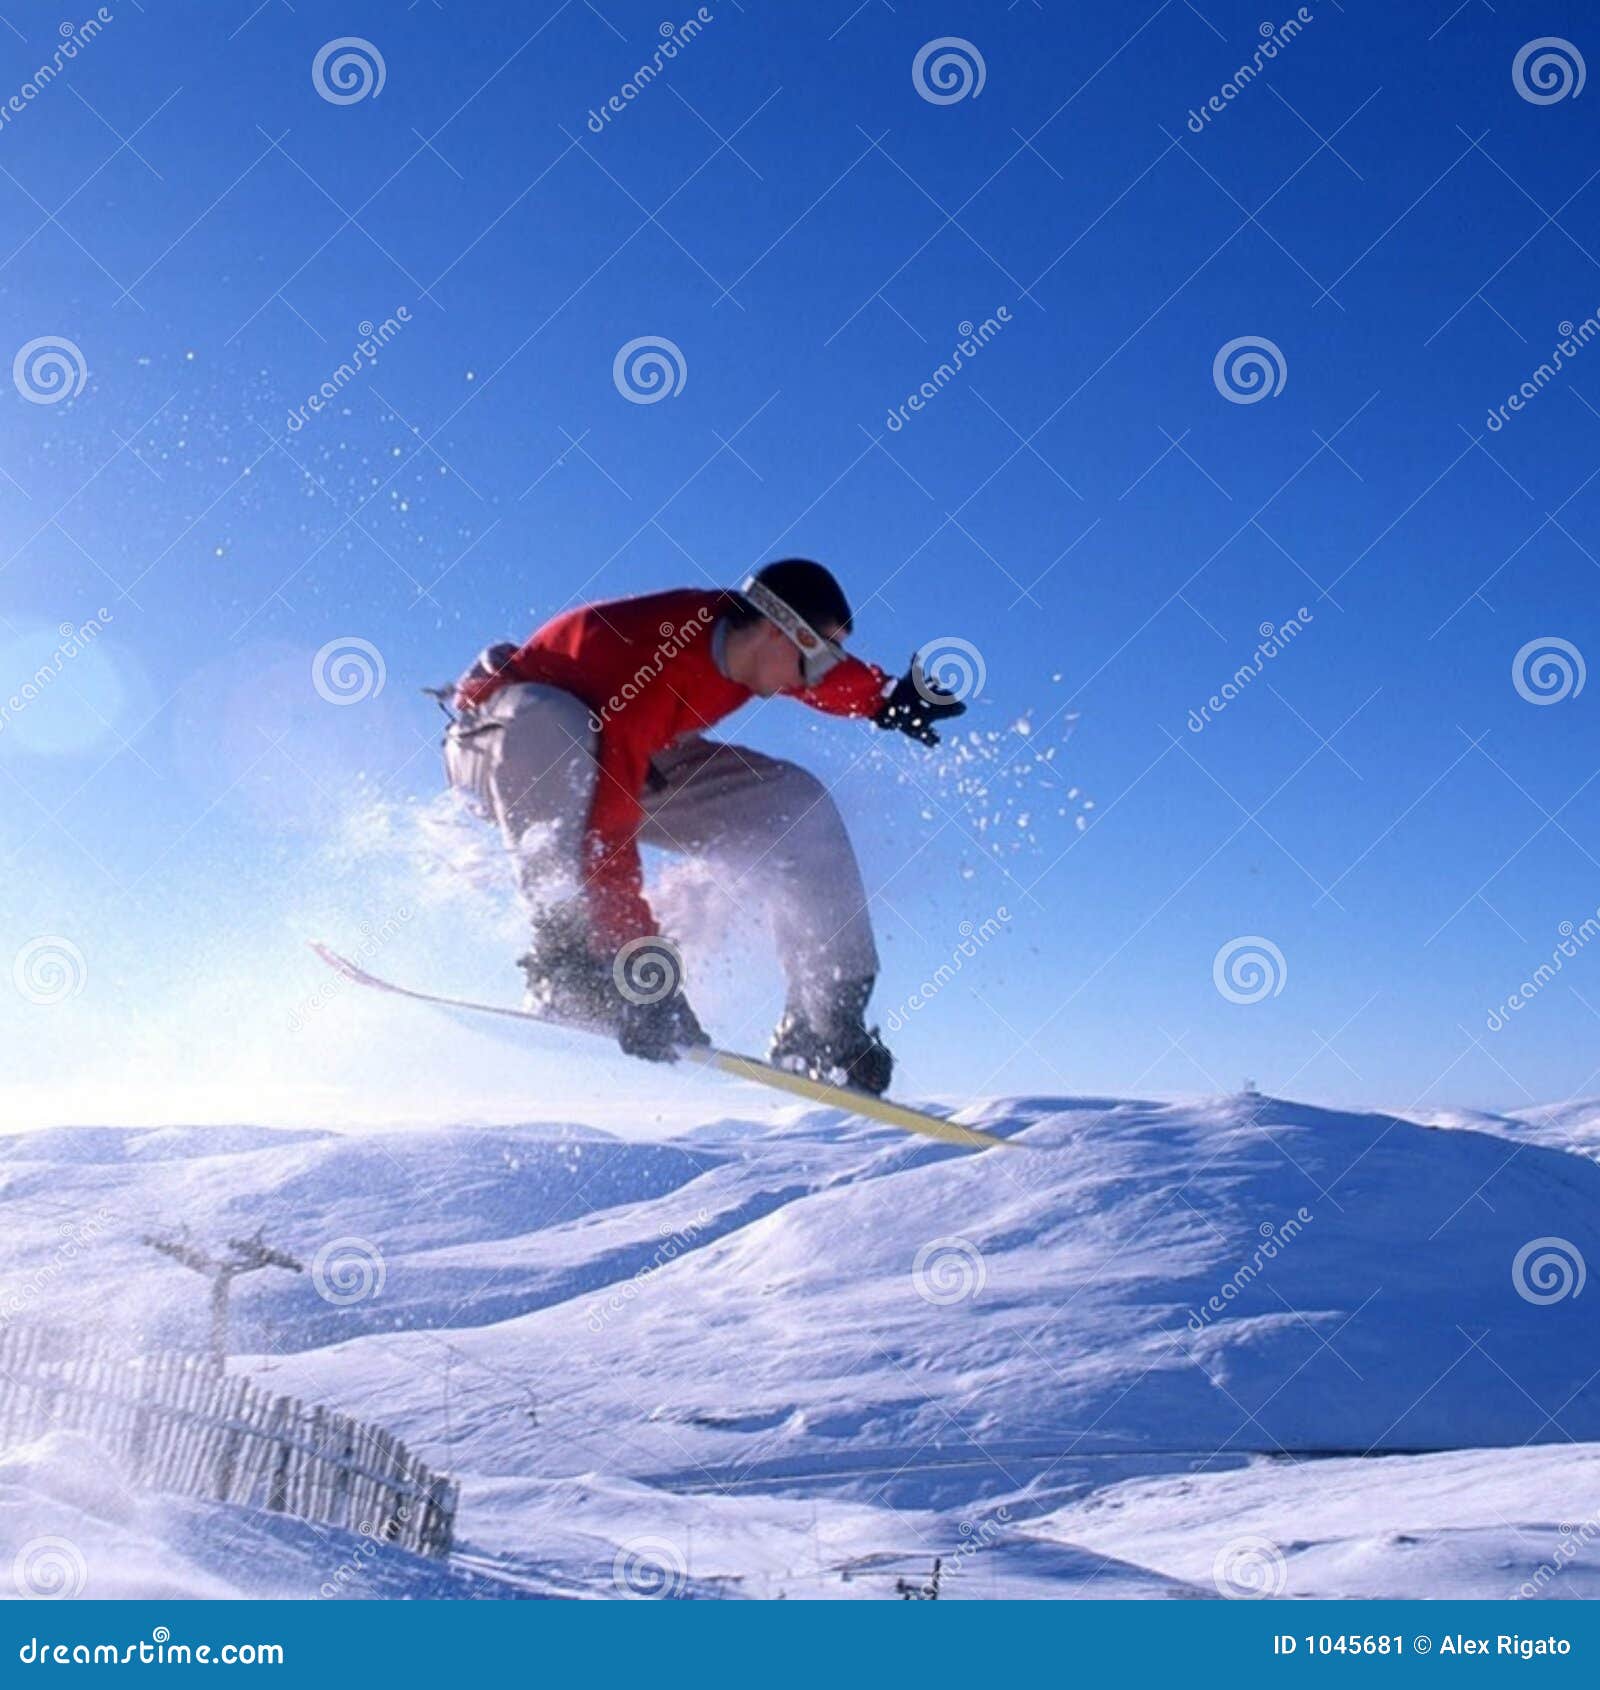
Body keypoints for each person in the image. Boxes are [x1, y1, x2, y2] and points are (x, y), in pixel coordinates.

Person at [442, 558, 965, 1095]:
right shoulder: (650, 658)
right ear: (772, 629)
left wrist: (884, 699)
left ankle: (823, 1023)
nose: (814, 678)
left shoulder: (751, 651)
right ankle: (569, 962)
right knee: (556, 724)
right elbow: (608, 831)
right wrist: (637, 968)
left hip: (629, 756)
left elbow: (823, 675)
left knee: (796, 803)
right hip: (506, 737)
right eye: (815, 658)